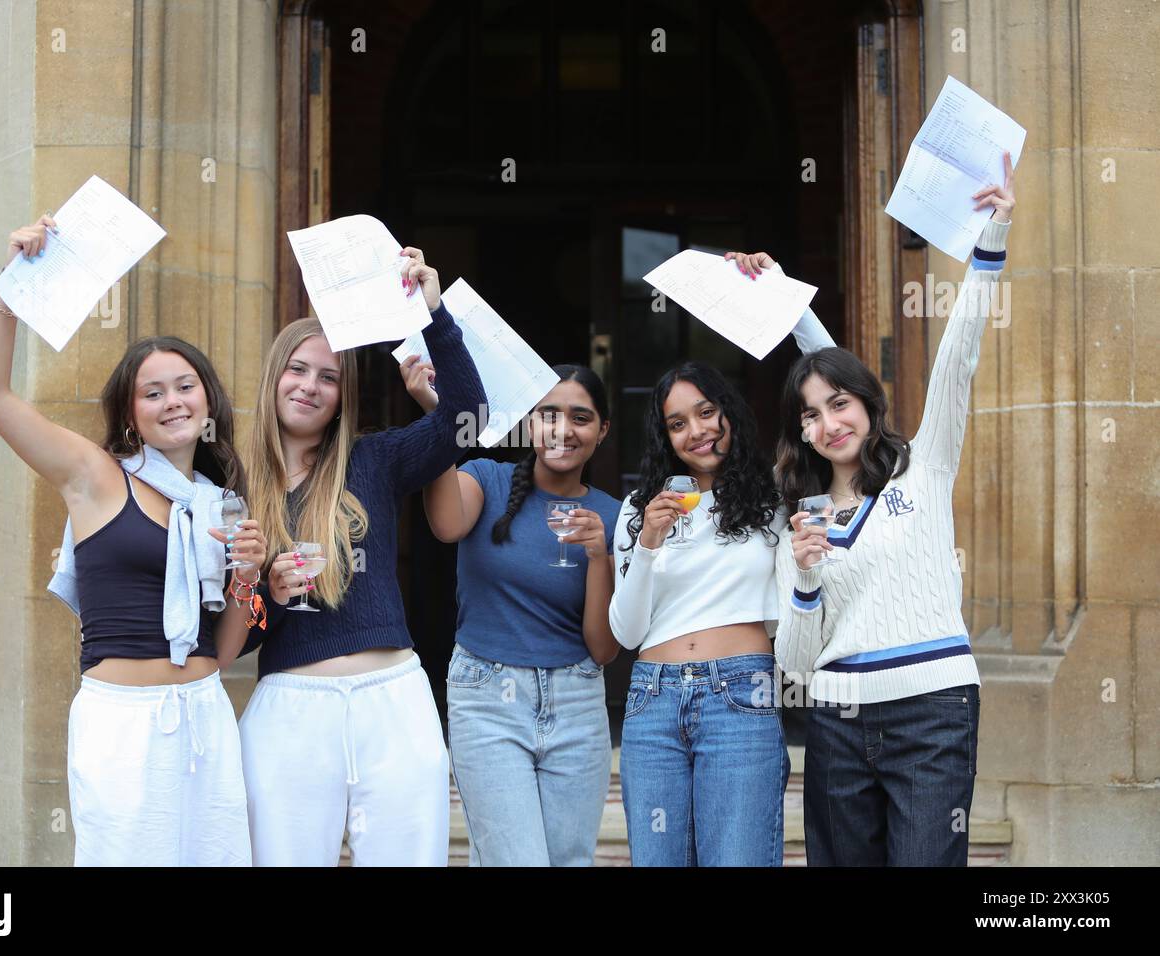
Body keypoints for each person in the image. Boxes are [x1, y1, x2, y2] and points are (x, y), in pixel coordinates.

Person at [0, 216, 267, 866]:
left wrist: (247, 578)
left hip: (205, 713)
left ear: (208, 400)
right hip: (122, 725)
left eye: (185, 387)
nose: (172, 402)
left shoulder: (220, 503)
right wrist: (8, 291)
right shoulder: (97, 477)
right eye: (152, 393)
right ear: (131, 414)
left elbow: (226, 650)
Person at [773, 153, 1016, 866]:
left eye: (840, 404)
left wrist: (993, 238)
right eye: (811, 416)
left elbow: (958, 359)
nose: (829, 423)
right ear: (801, 433)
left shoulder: (923, 464)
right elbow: (796, 663)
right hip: (836, 723)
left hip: (933, 710)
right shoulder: (804, 520)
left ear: (867, 405)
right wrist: (805, 576)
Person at [231, 247, 486, 866]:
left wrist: (433, 315)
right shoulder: (233, 489)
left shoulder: (372, 459)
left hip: (392, 699)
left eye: (328, 377)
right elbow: (232, 639)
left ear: (343, 397)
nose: (310, 386)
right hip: (289, 707)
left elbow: (467, 418)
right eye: (297, 370)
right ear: (273, 378)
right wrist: (270, 597)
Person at [610, 251, 834, 866]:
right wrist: (648, 543)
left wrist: (782, 295)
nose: (698, 431)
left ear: (728, 412)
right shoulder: (640, 508)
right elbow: (625, 633)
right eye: (677, 423)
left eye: (707, 412)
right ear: (665, 437)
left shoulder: (775, 494)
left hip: (740, 694)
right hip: (651, 701)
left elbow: (836, 388)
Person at [405, 361, 621, 866]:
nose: (563, 429)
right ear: (529, 422)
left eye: (580, 417)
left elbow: (603, 649)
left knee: (569, 860)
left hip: (578, 701)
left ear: (603, 430)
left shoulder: (614, 515)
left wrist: (598, 555)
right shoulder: (486, 479)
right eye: (548, 414)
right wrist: (438, 418)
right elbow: (445, 525)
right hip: (488, 697)